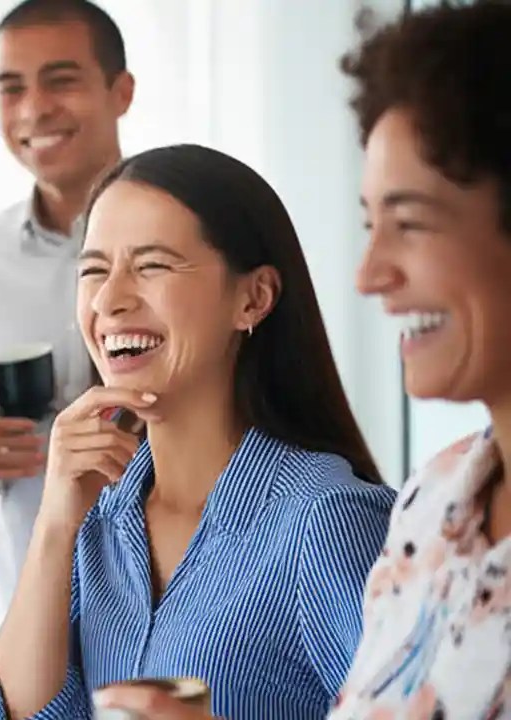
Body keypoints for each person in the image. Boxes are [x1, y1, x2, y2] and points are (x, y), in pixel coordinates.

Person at [93, 3, 511, 718]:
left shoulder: (326, 517)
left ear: (254, 298)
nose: (369, 273)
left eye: (409, 223)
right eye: (368, 224)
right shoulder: (432, 505)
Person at [0, 144, 397, 720]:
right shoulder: (97, 522)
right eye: (94, 270)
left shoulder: (324, 520)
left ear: (253, 297)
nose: (110, 299)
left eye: (151, 265)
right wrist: (54, 521)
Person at [0, 0, 133, 629]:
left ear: (121, 91)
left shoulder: (195, 236)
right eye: (11, 88)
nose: (34, 109)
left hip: (194, 590)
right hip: (33, 605)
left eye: (61, 80)